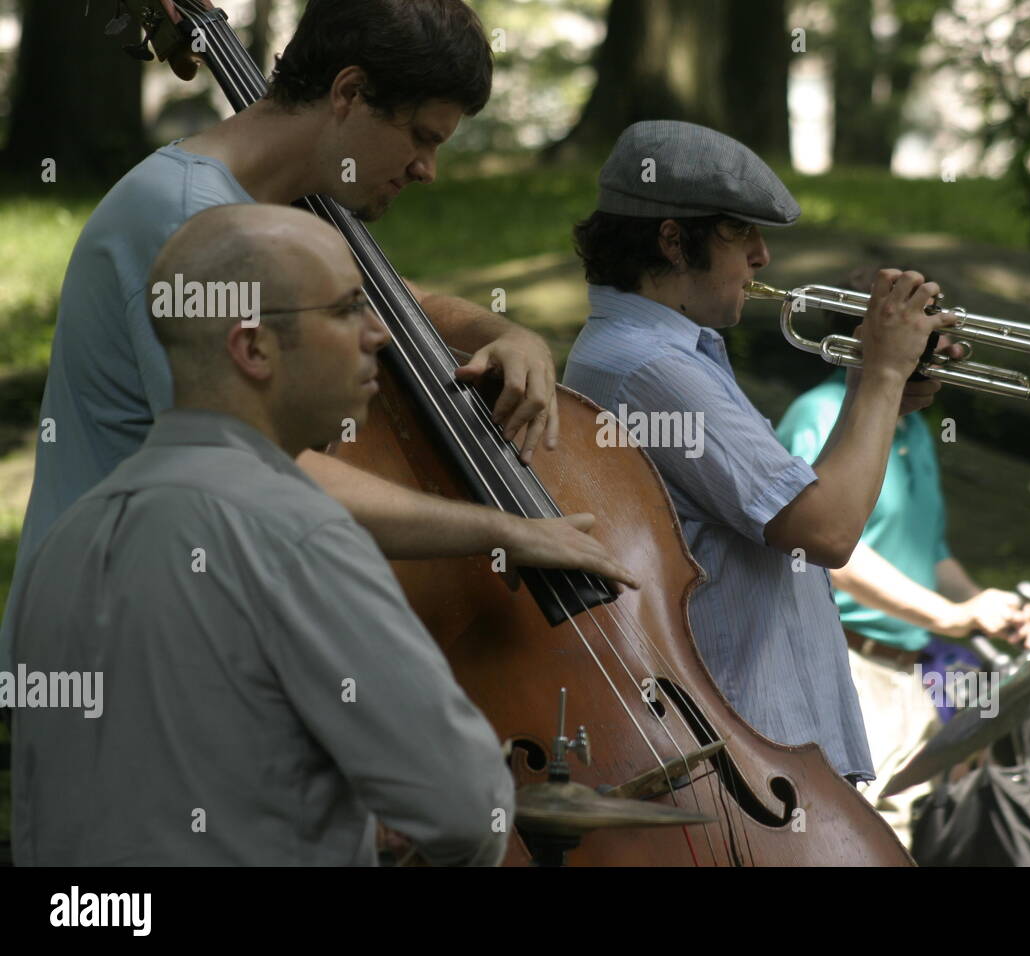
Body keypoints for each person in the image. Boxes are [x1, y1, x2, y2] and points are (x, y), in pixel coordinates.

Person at [0, 0, 634, 672]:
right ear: (349, 93)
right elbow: (252, 469)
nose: (428, 169)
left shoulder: (273, 209)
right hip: (116, 643)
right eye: (421, 135)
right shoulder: (185, 223)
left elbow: (407, 303)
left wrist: (508, 332)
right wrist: (506, 530)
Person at [10, 204, 517, 866]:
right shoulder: (298, 533)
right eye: (346, 309)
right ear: (252, 348)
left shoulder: (65, 540)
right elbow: (469, 812)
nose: (379, 333)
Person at [561, 120, 954, 784]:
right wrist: (884, 374)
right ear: (672, 239)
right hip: (747, 754)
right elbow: (825, 530)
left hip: (766, 753)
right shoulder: (650, 368)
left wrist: (875, 388)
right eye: (742, 232)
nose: (762, 257)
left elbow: (808, 507)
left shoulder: (670, 355)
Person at [776, 265, 1030, 842]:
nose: (953, 342)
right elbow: (828, 555)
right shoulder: (821, 415)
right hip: (848, 662)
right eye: (934, 325)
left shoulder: (912, 424)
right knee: (855, 840)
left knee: (900, 837)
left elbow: (931, 550)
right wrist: (948, 617)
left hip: (905, 668)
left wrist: (981, 607)